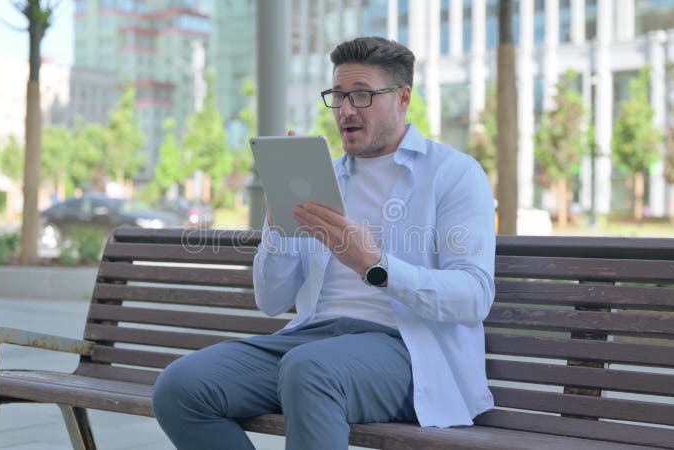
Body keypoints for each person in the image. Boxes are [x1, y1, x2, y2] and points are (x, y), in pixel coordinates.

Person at [152, 36, 496, 450]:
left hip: (408, 352)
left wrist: (375, 265)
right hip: (311, 340)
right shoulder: (322, 178)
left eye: (362, 95)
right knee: (181, 386)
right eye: (338, 96)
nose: (346, 110)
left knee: (310, 370)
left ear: (403, 98)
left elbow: (474, 296)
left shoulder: (453, 174)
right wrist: (278, 227)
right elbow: (271, 301)